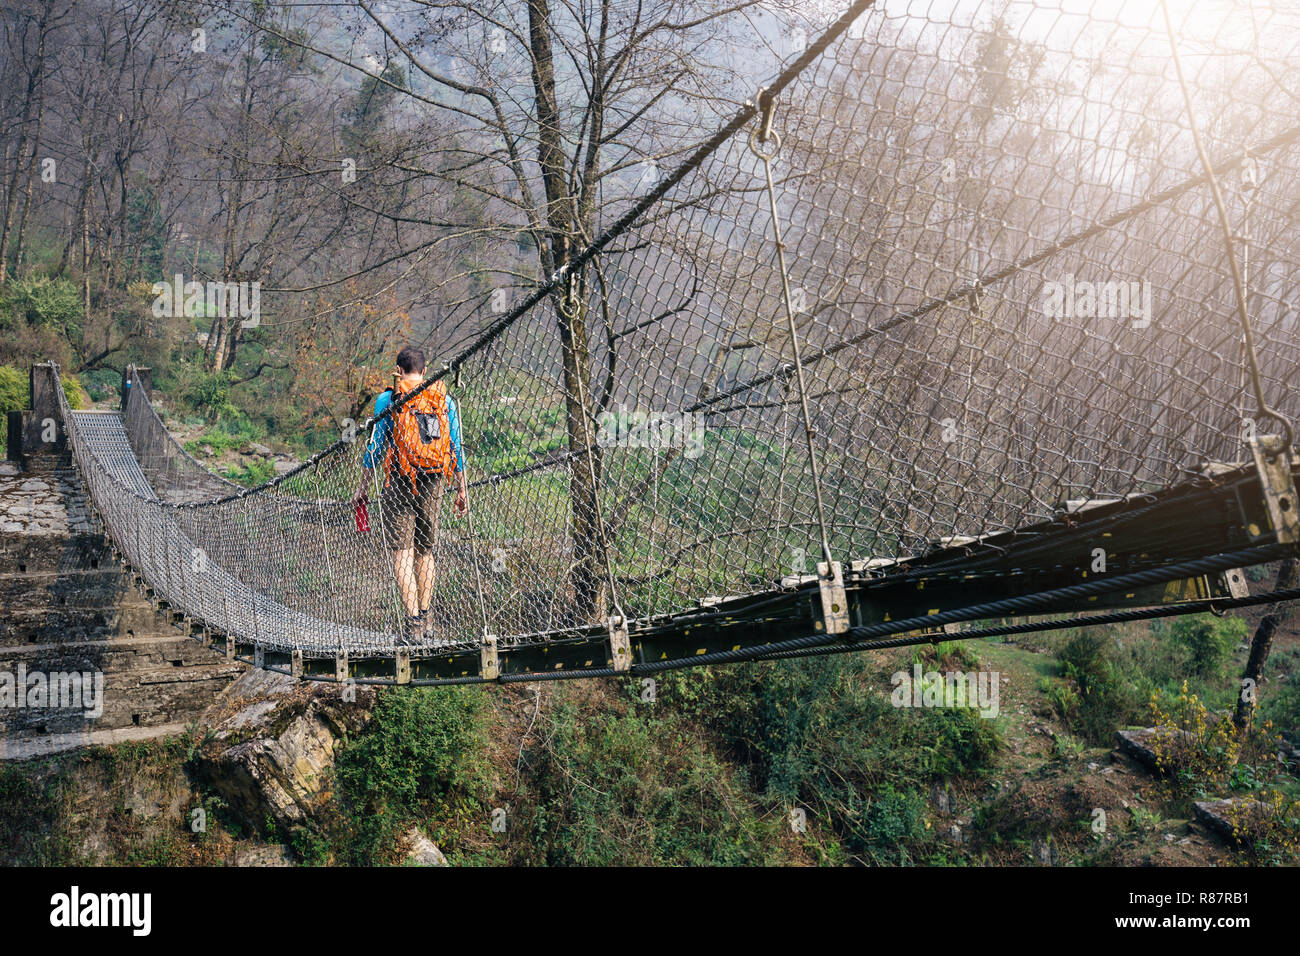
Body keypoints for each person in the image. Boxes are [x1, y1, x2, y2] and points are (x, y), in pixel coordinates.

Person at [354, 346, 468, 644]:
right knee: (425, 551)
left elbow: (376, 447)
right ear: (425, 369)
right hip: (434, 480)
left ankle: (414, 624)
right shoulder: (443, 398)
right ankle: (429, 618)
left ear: (398, 370)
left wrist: (362, 487)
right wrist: (462, 487)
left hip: (399, 479)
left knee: (401, 552)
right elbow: (455, 445)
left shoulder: (387, 399)